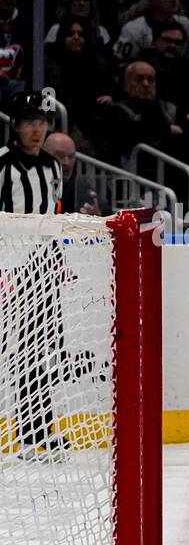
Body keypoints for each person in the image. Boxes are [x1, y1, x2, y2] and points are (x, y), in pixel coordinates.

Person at [0, 93, 66, 460]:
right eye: (30, 123)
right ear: (16, 126)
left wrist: (57, 260)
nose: (37, 130)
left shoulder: (53, 167)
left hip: (42, 268)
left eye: (42, 123)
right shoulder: (2, 165)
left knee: (42, 351)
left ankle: (39, 429)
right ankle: (29, 433)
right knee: (21, 351)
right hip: (9, 266)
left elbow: (54, 217)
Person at [112, 0, 189, 61]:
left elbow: (188, 57)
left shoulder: (186, 24)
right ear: (151, 0)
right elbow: (121, 62)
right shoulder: (133, 29)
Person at [43, 131, 98, 214]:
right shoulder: (25, 184)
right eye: (60, 155)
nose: (66, 162)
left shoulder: (82, 189)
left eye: (71, 156)